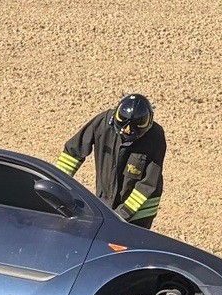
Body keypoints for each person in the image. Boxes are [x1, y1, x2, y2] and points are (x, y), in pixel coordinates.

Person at [53, 93, 166, 229]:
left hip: (140, 211)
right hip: (106, 202)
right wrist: (56, 186)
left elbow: (148, 184)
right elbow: (72, 152)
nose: (127, 130)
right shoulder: (103, 123)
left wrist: (122, 215)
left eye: (135, 127)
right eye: (123, 123)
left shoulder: (155, 137)